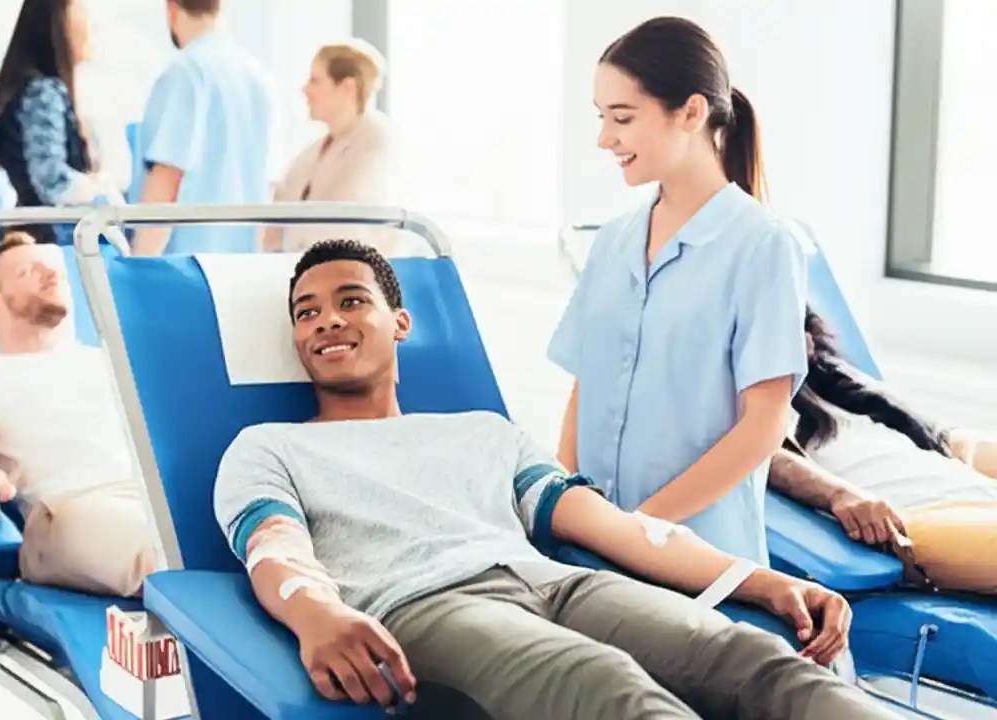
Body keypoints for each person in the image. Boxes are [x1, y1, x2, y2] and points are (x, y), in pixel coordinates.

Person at [211, 238, 896, 719]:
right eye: (306, 312)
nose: (326, 320)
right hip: (426, 608)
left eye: (350, 300)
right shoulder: (268, 447)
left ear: (400, 322)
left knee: (747, 656)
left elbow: (620, 531)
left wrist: (764, 582)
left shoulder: (484, 431)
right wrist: (318, 613)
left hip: (557, 585)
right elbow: (276, 549)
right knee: (606, 687)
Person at [547, 17, 807, 566]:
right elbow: (585, 388)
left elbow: (764, 427)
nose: (604, 138)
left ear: (691, 112)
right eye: (601, 117)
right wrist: (567, 506)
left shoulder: (763, 245)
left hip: (699, 557)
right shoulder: (613, 241)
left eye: (622, 118)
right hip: (594, 552)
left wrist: (640, 528)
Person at [0, 232, 155, 596]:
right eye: (29, 272)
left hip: (148, 494)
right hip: (66, 510)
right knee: (170, 554)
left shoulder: (110, 361)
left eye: (56, 271)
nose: (52, 275)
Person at [768, 306, 997, 594]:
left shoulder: (840, 389)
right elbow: (765, 458)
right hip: (916, 517)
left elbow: (948, 441)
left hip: (978, 496)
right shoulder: (763, 413)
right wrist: (838, 495)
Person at [131, 0, 278, 256]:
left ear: (171, 9)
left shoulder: (185, 73)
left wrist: (138, 264)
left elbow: (167, 179)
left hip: (186, 264)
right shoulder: (259, 77)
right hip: (243, 261)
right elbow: (269, 185)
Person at [0, 0, 122, 244]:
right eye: (83, 20)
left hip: (32, 236)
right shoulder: (44, 92)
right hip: (54, 241)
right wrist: (104, 194)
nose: (91, 30)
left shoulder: (27, 88)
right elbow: (51, 177)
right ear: (58, 26)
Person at [267, 40, 401, 255]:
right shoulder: (314, 151)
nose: (305, 90)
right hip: (306, 264)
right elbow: (278, 207)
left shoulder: (376, 137)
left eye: (315, 81)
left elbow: (341, 215)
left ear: (348, 87)